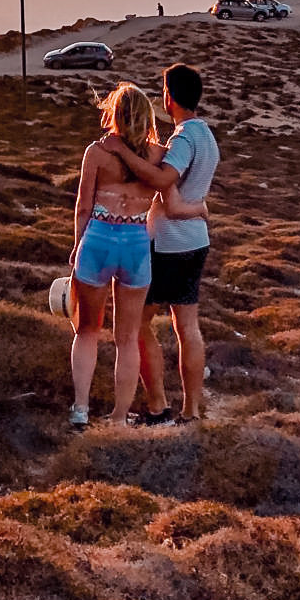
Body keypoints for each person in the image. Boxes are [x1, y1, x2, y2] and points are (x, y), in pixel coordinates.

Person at [66, 83, 207, 429]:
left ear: (114, 114)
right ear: (147, 116)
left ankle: (80, 410)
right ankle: (118, 418)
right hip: (136, 245)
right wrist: (200, 209)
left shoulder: (96, 153)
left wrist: (76, 246)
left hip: (98, 239)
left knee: (86, 330)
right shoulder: (159, 156)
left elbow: (83, 206)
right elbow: (169, 197)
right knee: (127, 338)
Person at [98, 62, 219, 423]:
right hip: (195, 241)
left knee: (138, 325)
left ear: (170, 96)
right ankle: (192, 410)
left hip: (168, 243)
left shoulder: (182, 138)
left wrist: (122, 152)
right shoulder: (207, 135)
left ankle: (157, 405)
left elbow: (164, 179)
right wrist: (198, 207)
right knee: (188, 327)